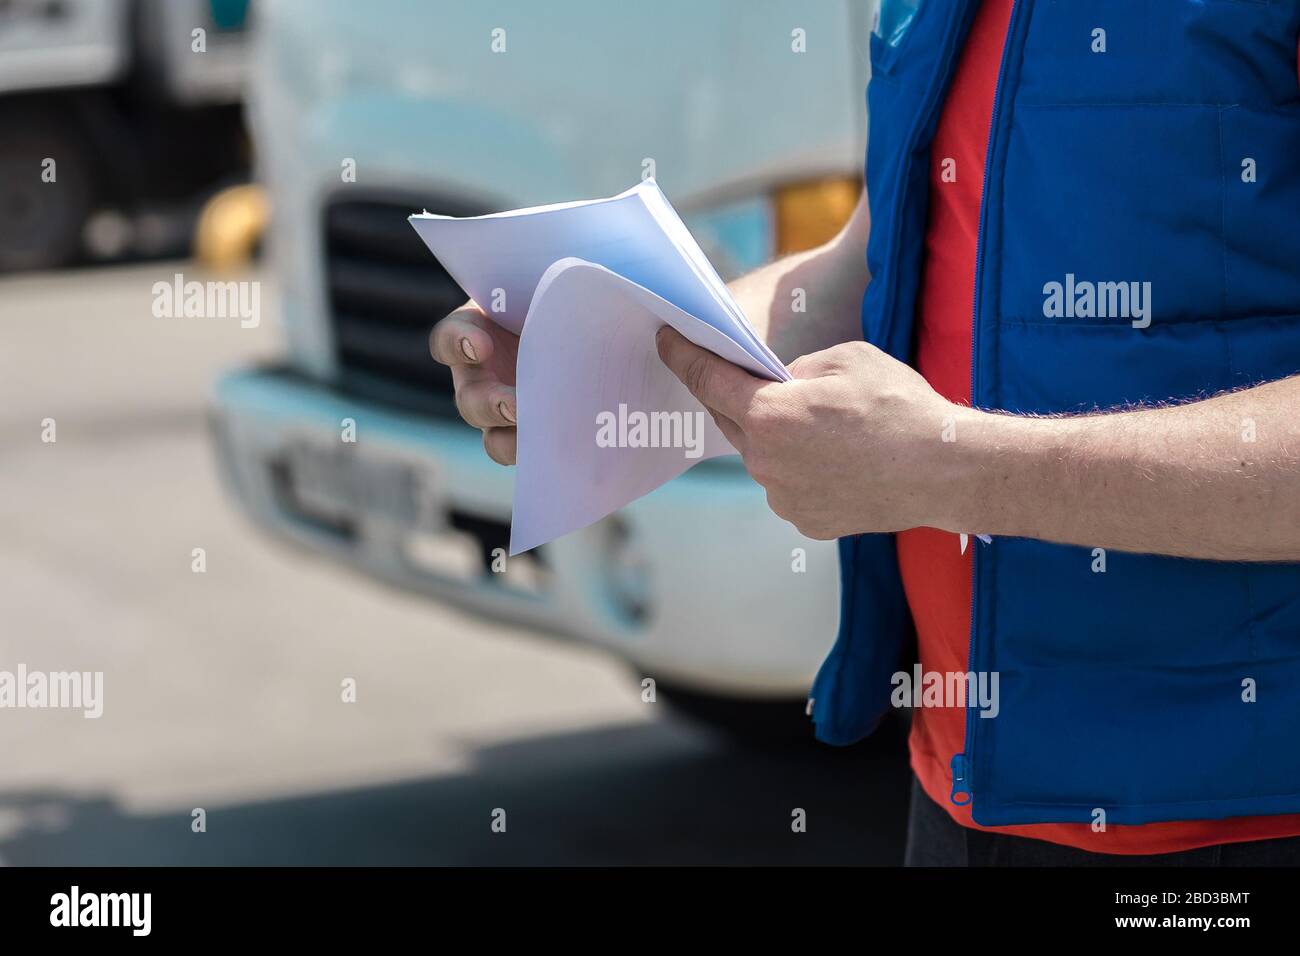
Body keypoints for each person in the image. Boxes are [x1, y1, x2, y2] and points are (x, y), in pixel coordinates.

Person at [431, 0, 1300, 865]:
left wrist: (949, 469)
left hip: (1237, 823)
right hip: (961, 793)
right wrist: (595, 358)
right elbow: (878, 263)